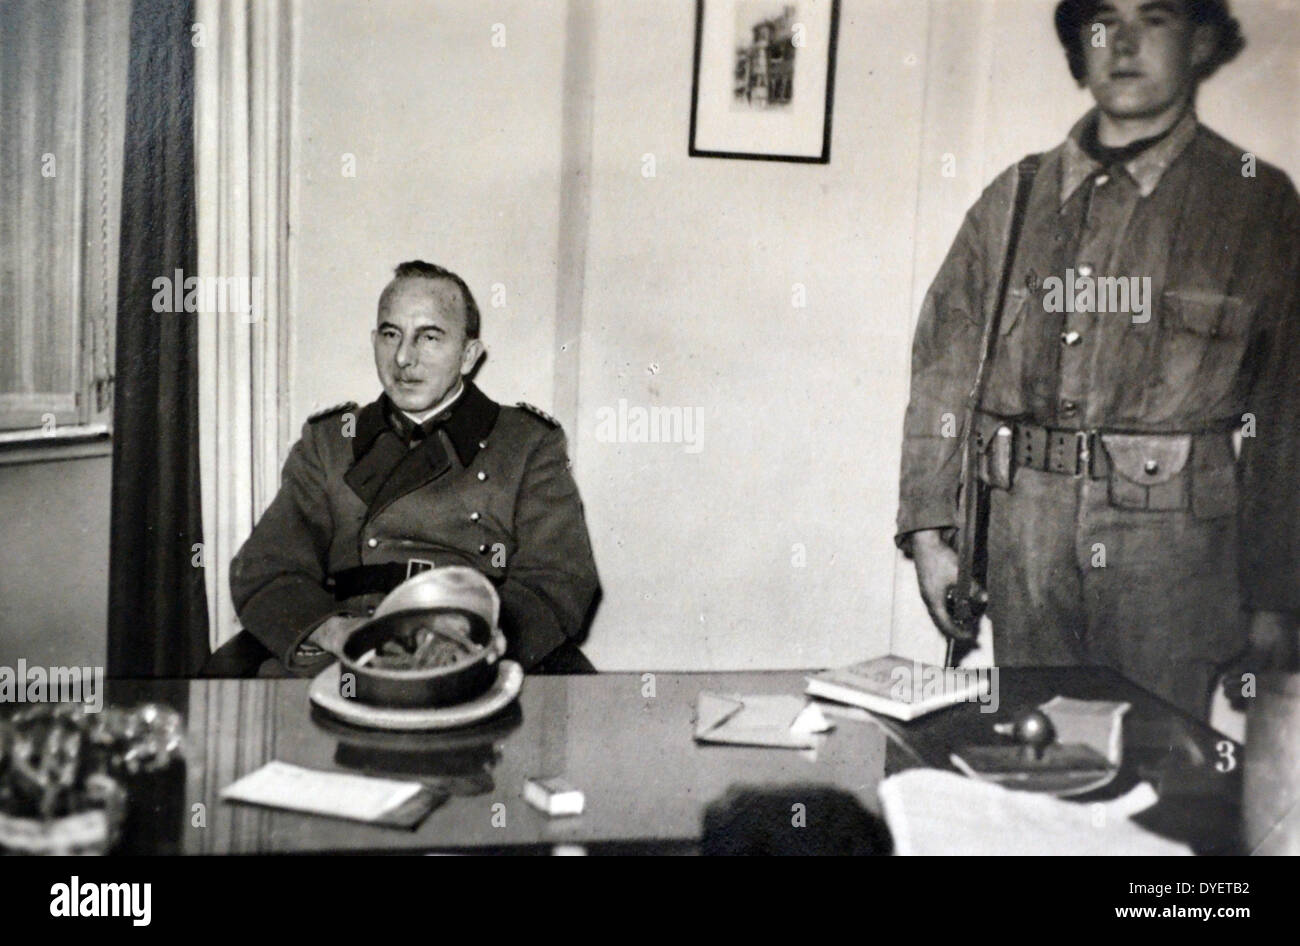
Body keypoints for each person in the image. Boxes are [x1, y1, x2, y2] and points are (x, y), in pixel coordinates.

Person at [897, 0, 1299, 717]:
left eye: (1156, 18)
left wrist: (1277, 595)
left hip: (1174, 564)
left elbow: (1288, 412)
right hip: (1023, 551)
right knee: (1031, 775)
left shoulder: (1256, 204)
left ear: (1202, 41)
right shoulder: (1015, 196)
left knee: (1157, 794)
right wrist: (931, 535)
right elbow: (942, 375)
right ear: (1079, 47)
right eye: (1103, 21)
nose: (1125, 43)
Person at [205, 261, 600, 677]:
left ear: (468, 355)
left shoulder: (525, 443)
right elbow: (267, 566)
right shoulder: (331, 441)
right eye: (391, 334)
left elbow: (560, 577)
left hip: (476, 644)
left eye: (429, 337)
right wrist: (337, 633)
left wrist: (477, 637)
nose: (404, 358)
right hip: (349, 644)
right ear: (374, 340)